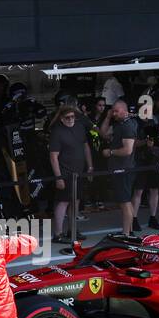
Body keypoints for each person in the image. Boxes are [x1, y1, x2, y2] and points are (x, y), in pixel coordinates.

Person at [48, 104, 93, 244]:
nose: (71, 119)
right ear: (61, 119)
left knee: (76, 201)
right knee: (63, 202)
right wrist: (58, 177)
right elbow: (53, 156)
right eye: (67, 118)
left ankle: (72, 230)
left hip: (79, 172)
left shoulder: (79, 127)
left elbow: (86, 146)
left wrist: (90, 165)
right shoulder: (57, 132)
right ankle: (58, 233)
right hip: (65, 172)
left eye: (73, 116)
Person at [100, 100, 139, 235]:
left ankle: (126, 234)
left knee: (125, 202)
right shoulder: (119, 124)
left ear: (124, 110)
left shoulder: (127, 126)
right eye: (113, 111)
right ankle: (130, 231)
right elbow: (103, 133)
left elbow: (127, 150)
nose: (114, 113)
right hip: (121, 168)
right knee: (125, 200)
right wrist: (108, 116)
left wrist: (110, 152)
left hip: (124, 168)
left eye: (116, 111)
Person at [132, 117, 159, 230]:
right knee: (138, 190)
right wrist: (145, 142)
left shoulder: (157, 119)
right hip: (141, 160)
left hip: (155, 160)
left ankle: (153, 218)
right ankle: (133, 219)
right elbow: (132, 143)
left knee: (154, 189)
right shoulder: (135, 122)